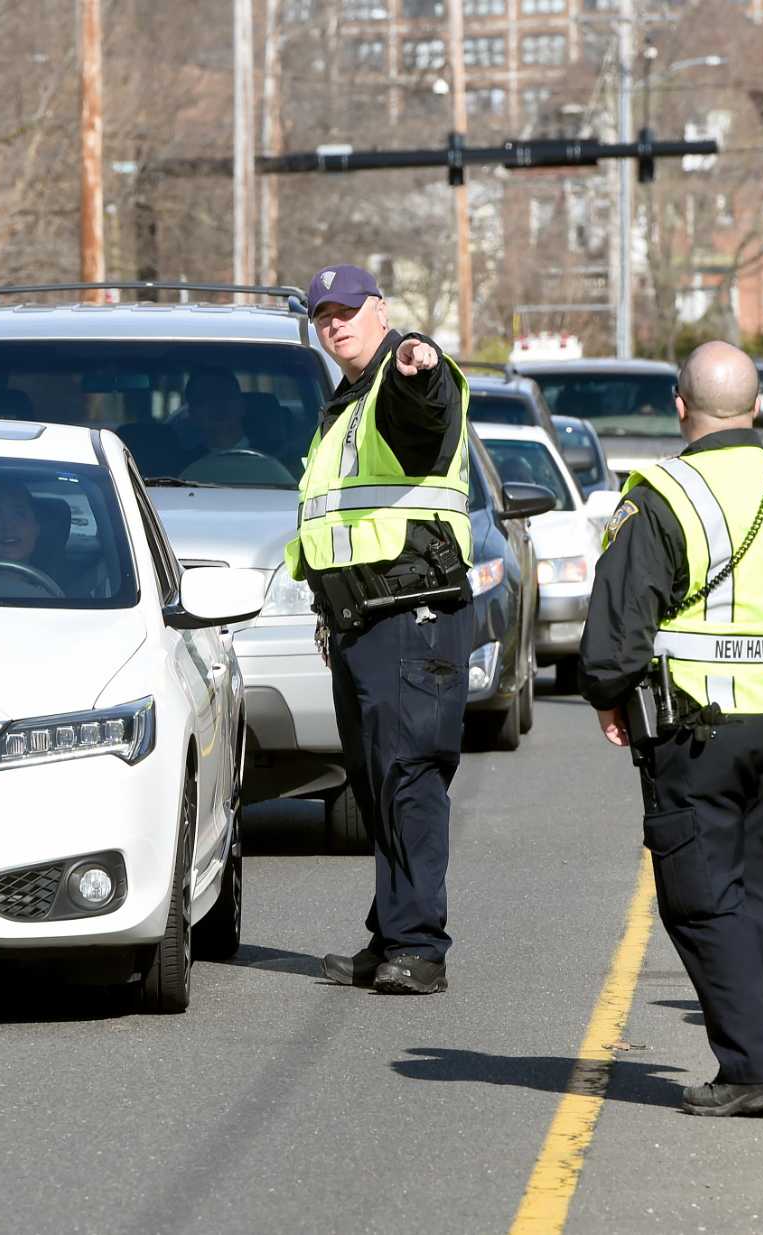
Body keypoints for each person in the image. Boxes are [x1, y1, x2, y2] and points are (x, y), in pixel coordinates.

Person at [580, 341, 763, 1116]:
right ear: (759, 405)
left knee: (701, 898)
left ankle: (753, 1065)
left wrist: (612, 696)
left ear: (681, 407)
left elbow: (616, 632)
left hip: (694, 732)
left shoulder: (659, 495)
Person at [288, 263, 472, 997]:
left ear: (381, 310)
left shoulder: (395, 384)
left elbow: (423, 402)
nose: (336, 323)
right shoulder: (345, 403)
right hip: (362, 623)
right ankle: (391, 929)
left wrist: (415, 362)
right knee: (376, 781)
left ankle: (420, 948)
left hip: (411, 617)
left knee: (409, 779)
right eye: (323, 314)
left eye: (348, 309)